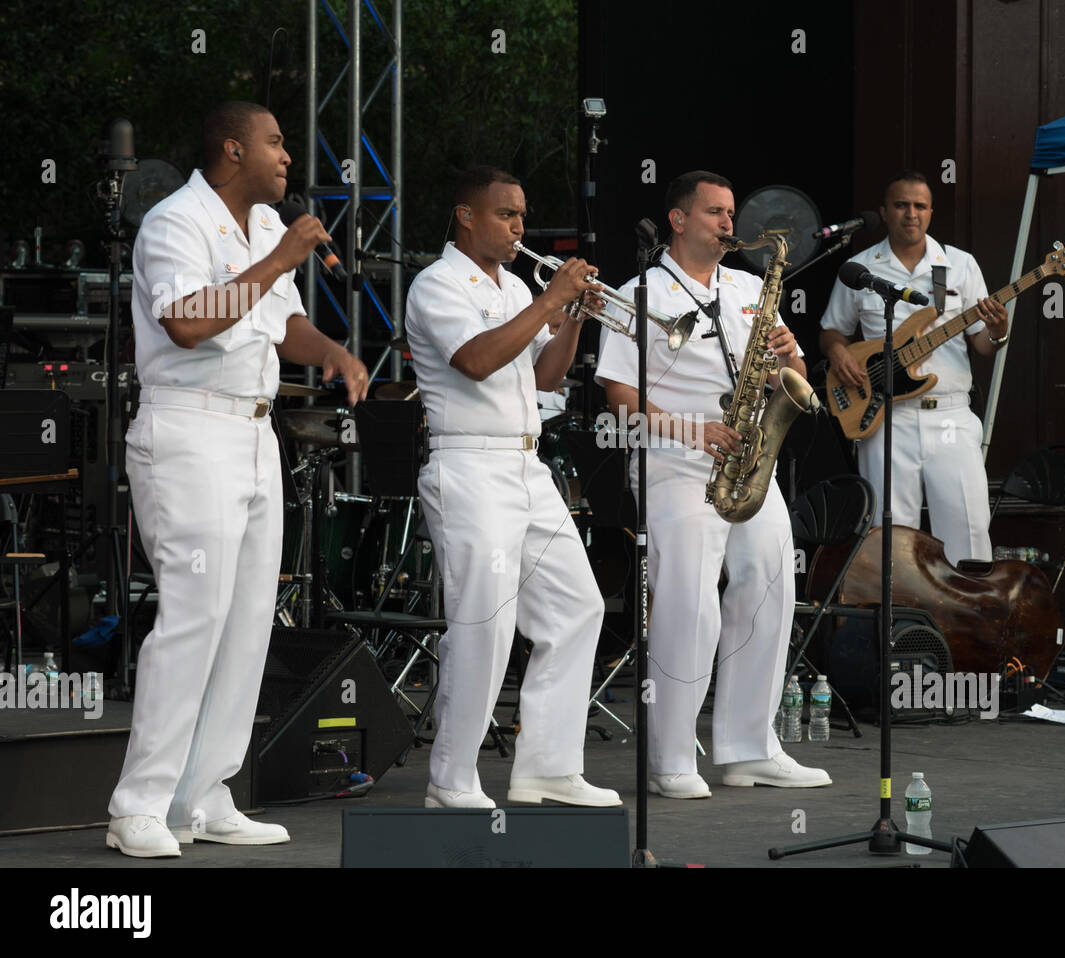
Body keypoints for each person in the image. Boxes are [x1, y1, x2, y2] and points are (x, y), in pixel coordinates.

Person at [108, 101, 368, 857]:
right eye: (276, 142)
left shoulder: (261, 229)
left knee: (250, 619)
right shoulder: (174, 222)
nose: (288, 156)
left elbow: (284, 326)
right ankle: (138, 805)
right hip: (187, 425)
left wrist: (334, 353)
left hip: (254, 432)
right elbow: (186, 323)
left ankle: (204, 793)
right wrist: (282, 257)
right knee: (194, 615)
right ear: (232, 148)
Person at [595, 170, 831, 799]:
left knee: (771, 587)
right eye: (715, 213)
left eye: (731, 213)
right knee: (689, 606)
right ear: (677, 219)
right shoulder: (637, 293)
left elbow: (796, 377)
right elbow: (618, 397)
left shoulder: (752, 286)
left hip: (752, 455)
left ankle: (750, 747)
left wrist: (790, 354)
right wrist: (693, 432)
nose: (730, 223)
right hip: (678, 464)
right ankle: (672, 758)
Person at [403, 166, 620, 809]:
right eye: (506, 215)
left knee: (578, 606)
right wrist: (551, 301)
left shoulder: (518, 286)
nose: (519, 227)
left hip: (526, 466)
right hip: (469, 466)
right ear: (466, 216)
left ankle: (547, 767)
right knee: (485, 624)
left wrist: (573, 320)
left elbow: (544, 380)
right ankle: (450, 777)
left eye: (523, 215)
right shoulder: (437, 284)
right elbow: (473, 361)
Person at [819, 170, 1009, 565]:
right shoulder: (860, 267)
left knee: (969, 530)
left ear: (931, 212)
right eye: (902, 205)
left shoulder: (959, 265)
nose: (911, 213)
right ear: (884, 212)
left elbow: (980, 343)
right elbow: (832, 332)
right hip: (886, 417)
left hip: (951, 415)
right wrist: (838, 354)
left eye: (920, 206)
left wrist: (998, 331)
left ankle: (965, 622)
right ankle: (898, 624)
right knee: (888, 539)